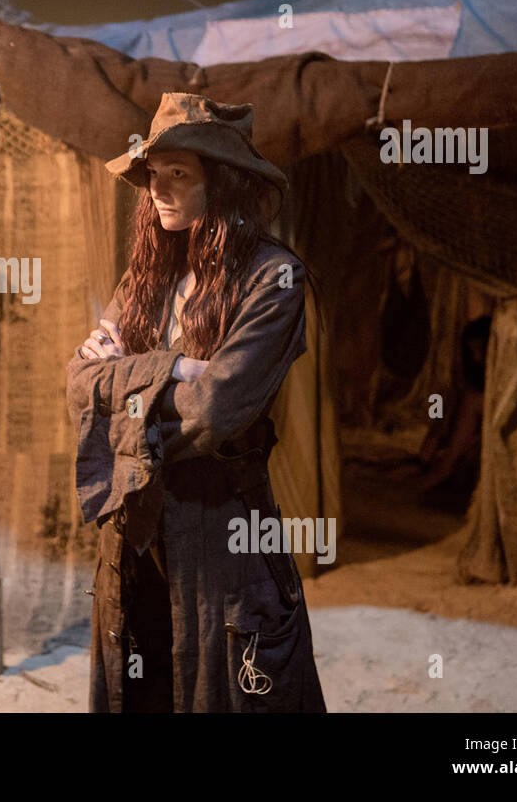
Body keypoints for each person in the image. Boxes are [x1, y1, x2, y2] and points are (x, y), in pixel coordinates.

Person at [66, 92, 326, 712]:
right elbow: (77, 383)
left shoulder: (273, 280)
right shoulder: (145, 280)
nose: (158, 189)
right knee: (143, 693)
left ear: (224, 183)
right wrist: (173, 367)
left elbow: (214, 412)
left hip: (224, 541)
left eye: (178, 174)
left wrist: (122, 393)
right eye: (154, 175)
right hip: (134, 537)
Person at [417, 316, 491, 515]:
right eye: (471, 352)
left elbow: (453, 457)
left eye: (481, 352)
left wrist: (419, 487)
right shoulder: (476, 389)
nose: (476, 359)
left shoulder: (476, 398)